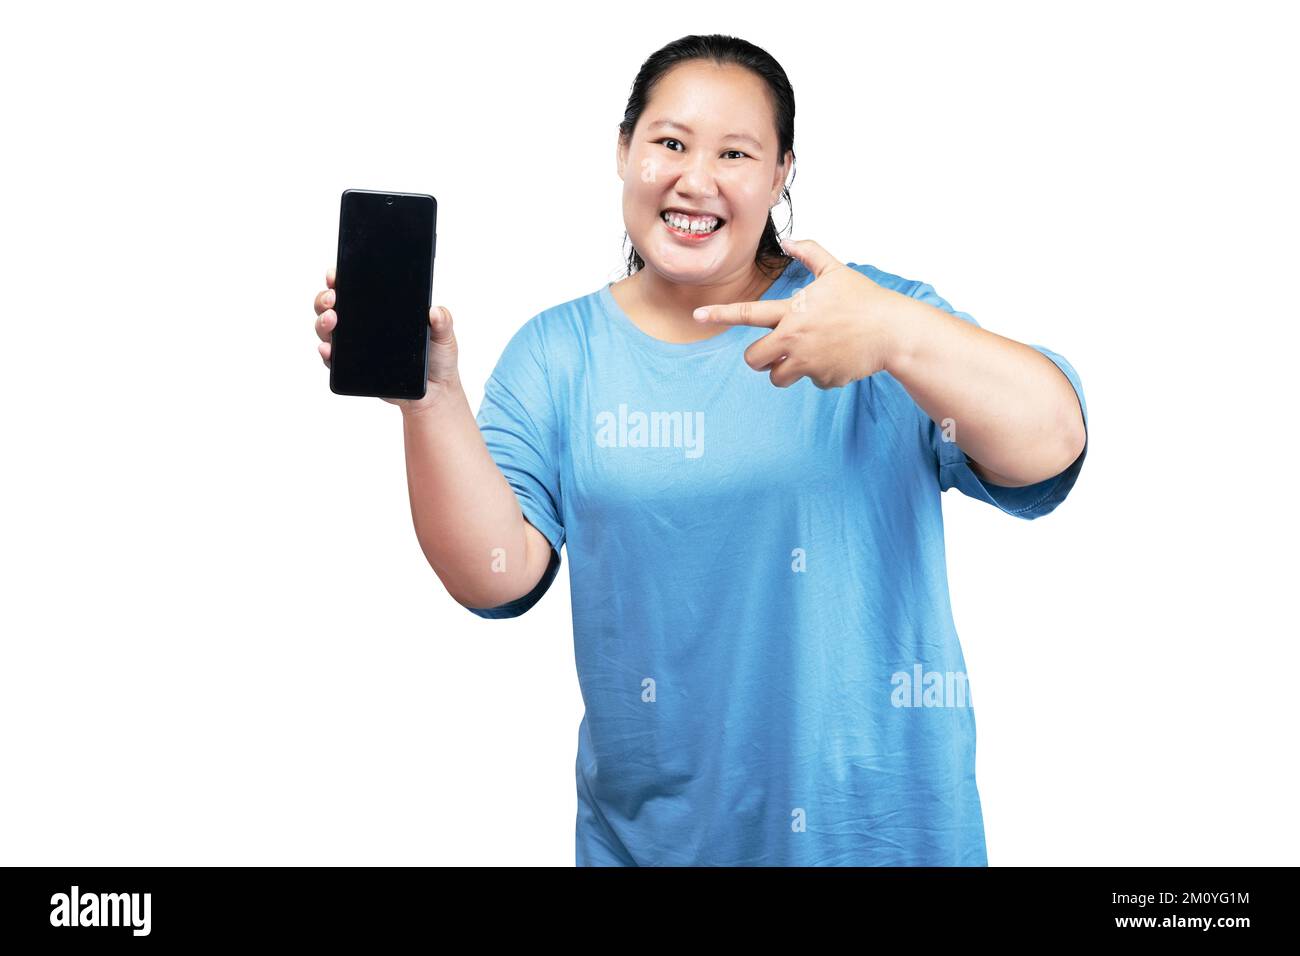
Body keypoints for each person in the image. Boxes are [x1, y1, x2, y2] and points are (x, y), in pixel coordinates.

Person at [312, 34, 1088, 866]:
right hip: (655, 843)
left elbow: (1052, 442)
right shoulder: (557, 354)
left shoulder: (868, 317)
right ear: (623, 150)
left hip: (880, 837)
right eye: (670, 143)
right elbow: (494, 575)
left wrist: (898, 336)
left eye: (737, 153)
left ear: (783, 171)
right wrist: (430, 403)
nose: (696, 179)